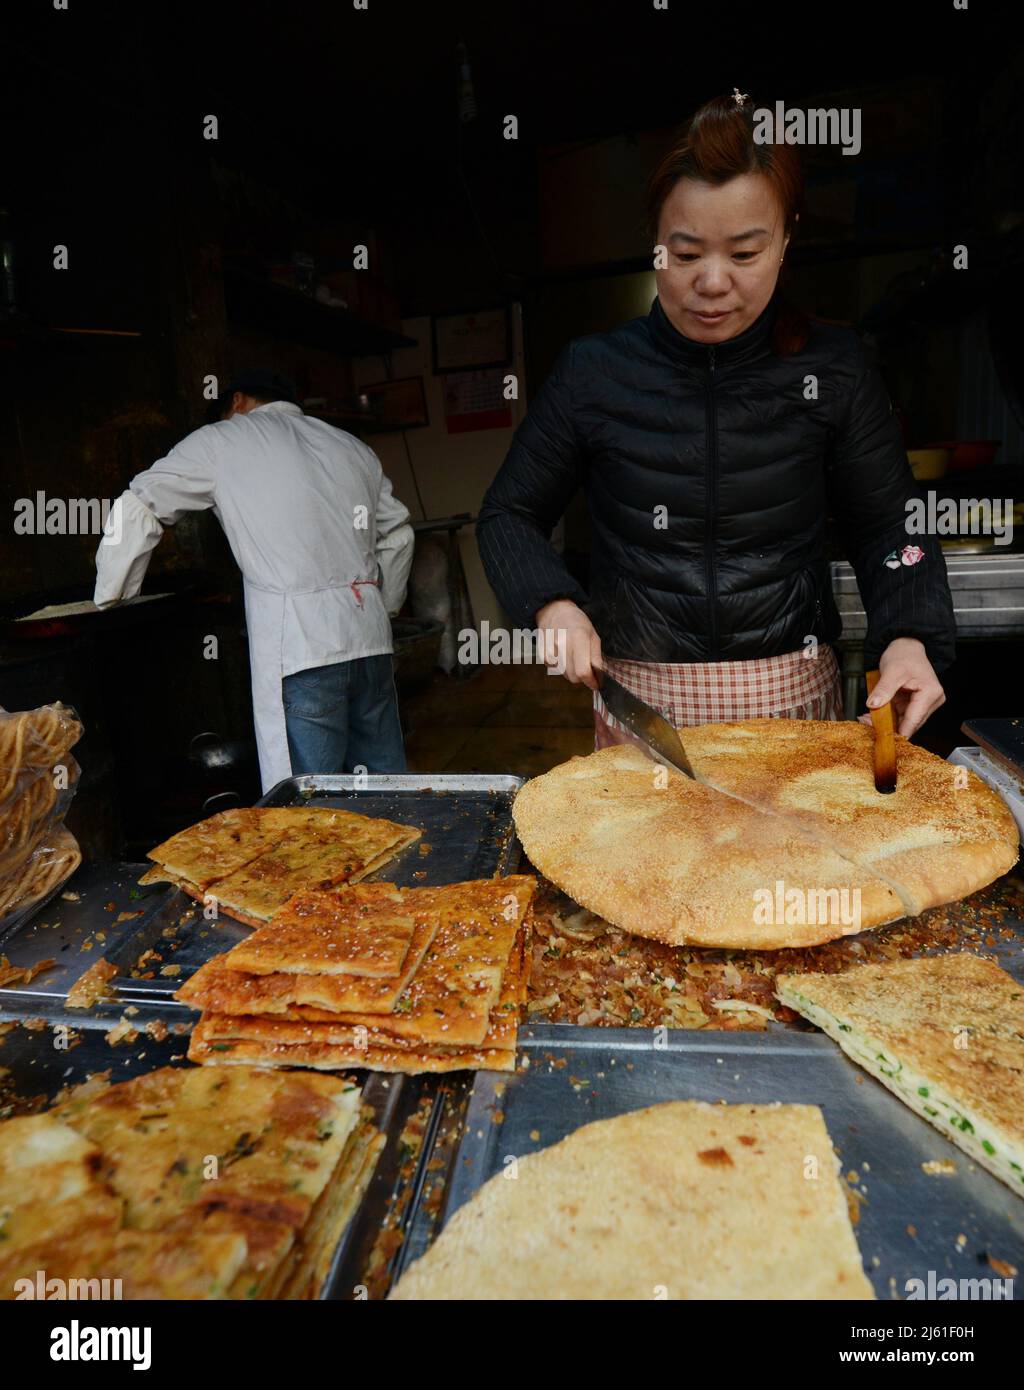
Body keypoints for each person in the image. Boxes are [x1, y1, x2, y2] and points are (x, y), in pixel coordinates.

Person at [477, 93, 955, 742]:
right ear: (654, 243)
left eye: (745, 253)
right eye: (685, 252)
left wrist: (909, 636)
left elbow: (890, 527)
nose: (711, 281)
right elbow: (510, 514)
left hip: (788, 696)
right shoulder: (593, 373)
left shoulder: (835, 369)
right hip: (640, 701)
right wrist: (553, 603)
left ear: (786, 240)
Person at [94, 368, 414, 791]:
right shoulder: (351, 446)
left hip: (302, 648)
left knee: (310, 801)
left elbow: (140, 503)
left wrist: (110, 597)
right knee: (386, 784)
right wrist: (384, 604)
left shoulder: (222, 439)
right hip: (370, 640)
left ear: (238, 401)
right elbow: (398, 532)